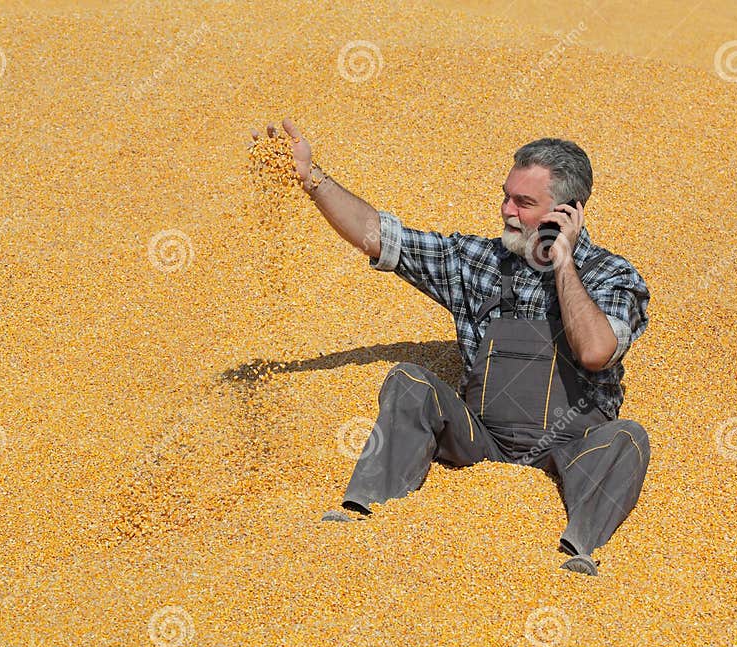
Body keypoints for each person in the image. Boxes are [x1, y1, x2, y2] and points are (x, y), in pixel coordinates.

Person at [250, 118, 651, 576]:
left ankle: (577, 551)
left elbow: (596, 351)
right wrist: (312, 179)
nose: (507, 211)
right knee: (408, 380)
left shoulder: (612, 276)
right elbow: (381, 236)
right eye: (506, 195)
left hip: (572, 449)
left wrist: (563, 262)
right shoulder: (477, 262)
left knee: (628, 438)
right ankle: (363, 511)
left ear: (570, 212)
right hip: (483, 440)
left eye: (524, 202)